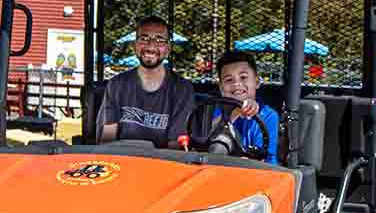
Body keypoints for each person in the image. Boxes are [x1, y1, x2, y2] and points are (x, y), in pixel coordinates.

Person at [97, 15, 193, 147]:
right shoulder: (116, 84)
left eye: (159, 40)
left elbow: (176, 145)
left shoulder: (182, 89)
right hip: (123, 160)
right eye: (144, 38)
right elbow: (107, 139)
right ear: (135, 45)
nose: (151, 46)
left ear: (168, 49)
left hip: (161, 164)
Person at [213, 50, 279, 163]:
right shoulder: (219, 111)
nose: (236, 84)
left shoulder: (268, 115)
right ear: (221, 88)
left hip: (263, 173)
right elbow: (210, 135)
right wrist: (235, 112)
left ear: (256, 82)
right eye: (229, 80)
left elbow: (260, 158)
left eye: (243, 77)